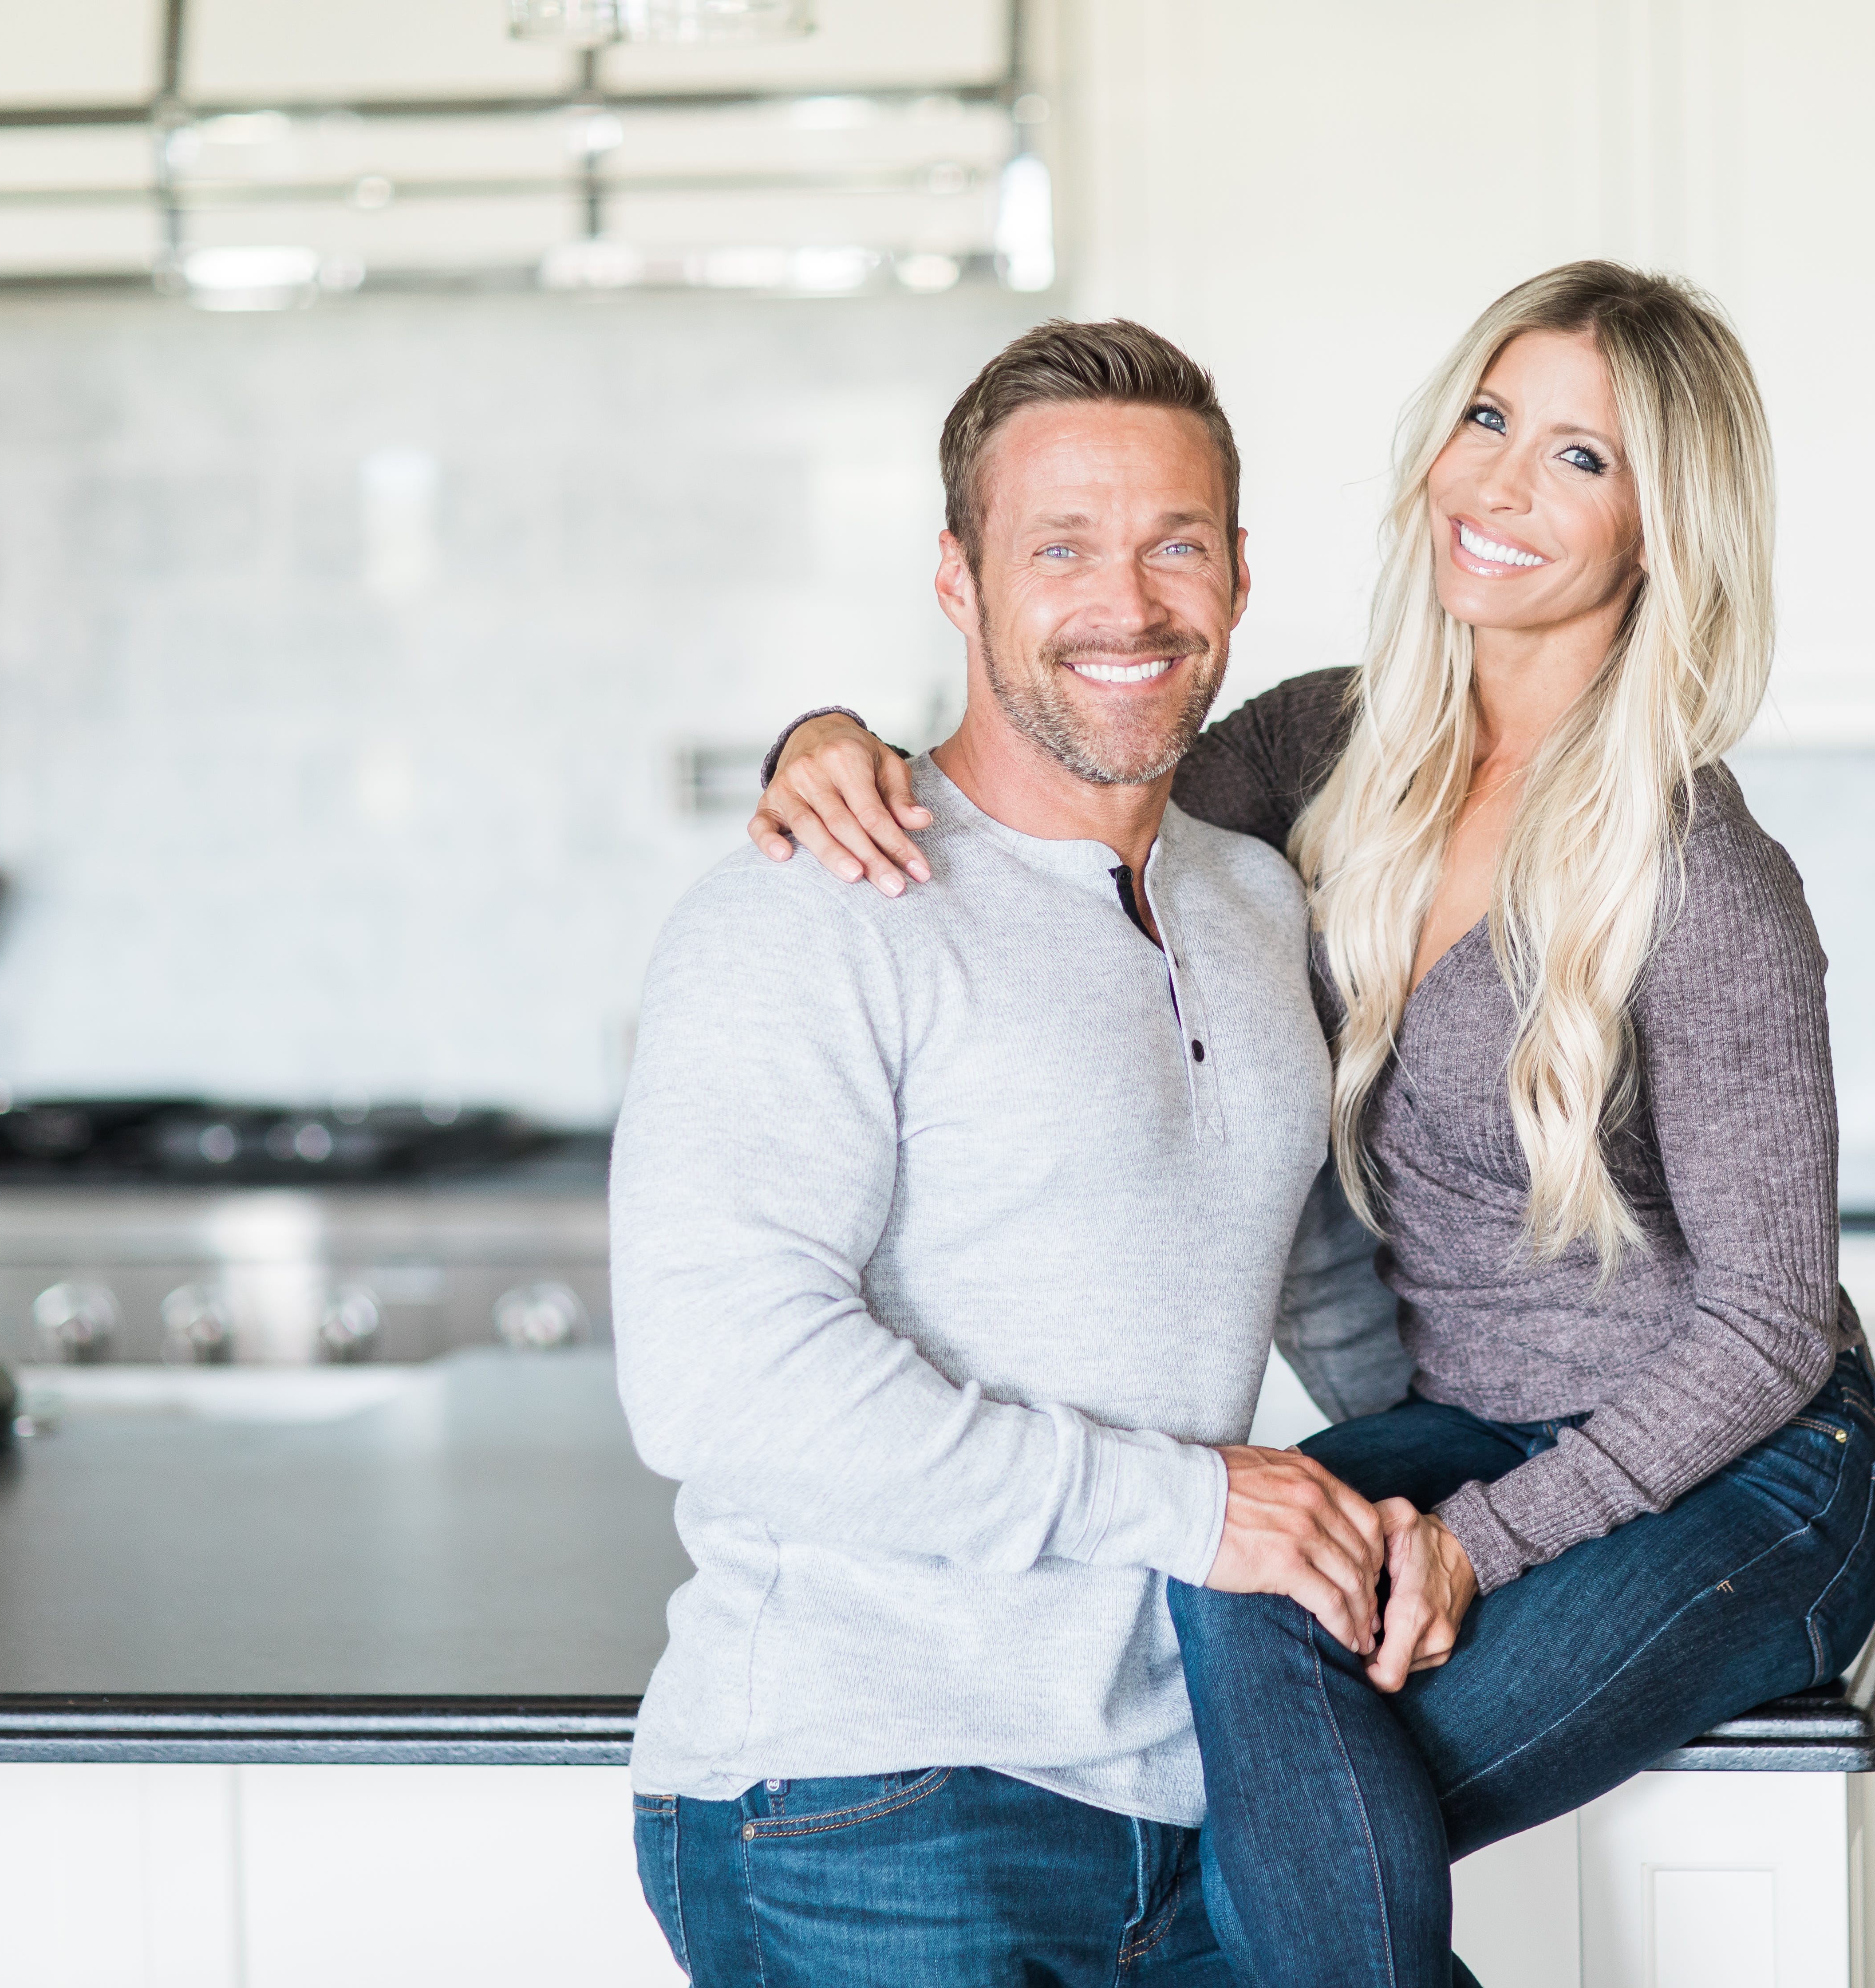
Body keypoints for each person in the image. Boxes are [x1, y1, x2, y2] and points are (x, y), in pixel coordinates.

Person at [753, 261, 1875, 1988]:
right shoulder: (1326, 746)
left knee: (1277, 1843)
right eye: (1490, 418)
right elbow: (1058, 782)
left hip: (1748, 1479)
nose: (1500, 483)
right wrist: (834, 737)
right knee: (1238, 1552)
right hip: (1469, 1432)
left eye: (1581, 458)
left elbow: (1765, 1327)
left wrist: (1477, 1543)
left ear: (1663, 526)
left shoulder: (1707, 878)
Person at [612, 317, 1423, 1984]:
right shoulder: (815, 905)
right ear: (957, 581)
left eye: (1174, 545)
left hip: (1191, 1789)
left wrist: (1540, 1488)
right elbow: (719, 1384)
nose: (1128, 605)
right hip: (868, 1804)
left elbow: (1332, 1288)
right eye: (1059, 548)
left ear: (1241, 575)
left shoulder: (1254, 899)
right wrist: (1190, 1506)